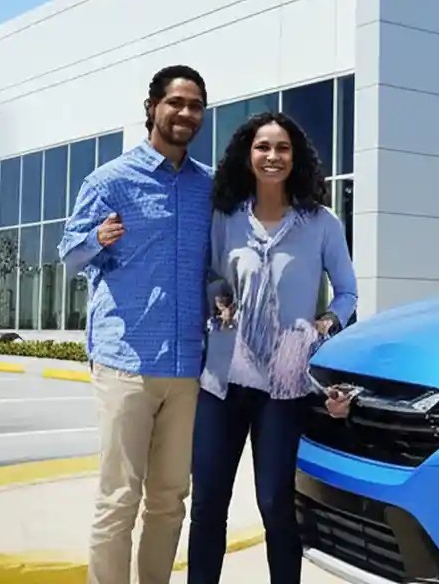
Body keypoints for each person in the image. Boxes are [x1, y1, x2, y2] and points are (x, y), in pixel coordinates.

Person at [187, 111, 358, 584]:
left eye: (282, 148)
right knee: (207, 505)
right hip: (222, 381)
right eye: (263, 147)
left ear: (295, 157)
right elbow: (213, 276)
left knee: (276, 504)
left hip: (284, 386)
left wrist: (325, 323)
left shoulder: (320, 223)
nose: (272, 156)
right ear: (248, 154)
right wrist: (219, 298)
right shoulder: (226, 218)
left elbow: (346, 293)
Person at [59, 65, 213, 584]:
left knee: (170, 500)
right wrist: (97, 239)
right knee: (119, 498)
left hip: (187, 366)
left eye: (195, 105)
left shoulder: (207, 187)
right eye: (176, 103)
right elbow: (69, 256)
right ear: (152, 107)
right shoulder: (110, 180)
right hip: (125, 363)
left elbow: (212, 268)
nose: (186, 114)